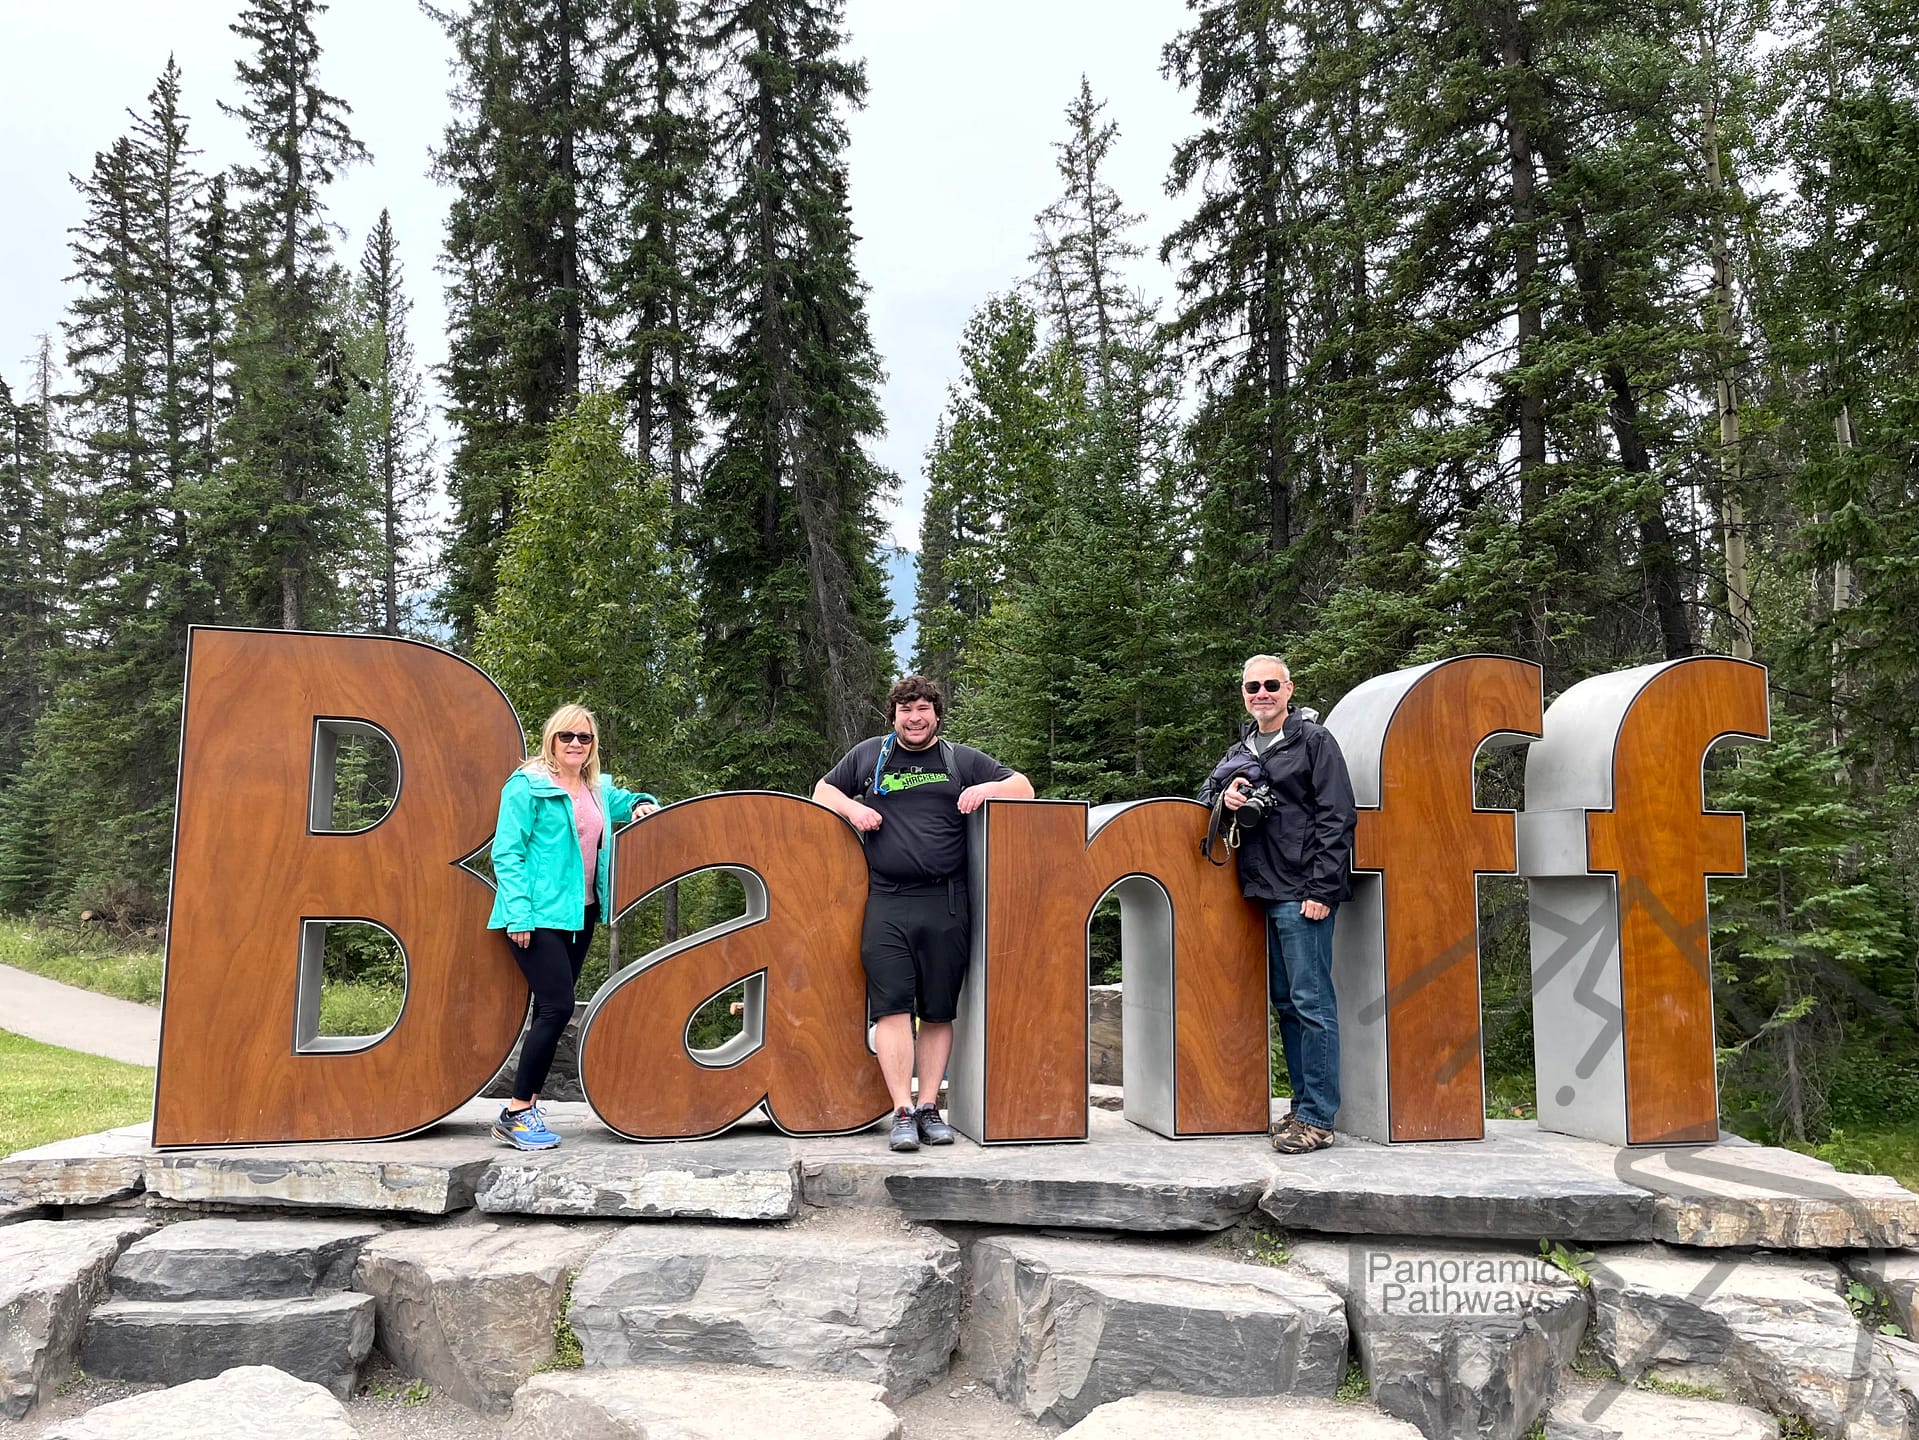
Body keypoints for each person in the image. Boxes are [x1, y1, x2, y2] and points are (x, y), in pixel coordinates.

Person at [813, 676, 1034, 1152]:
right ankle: (901, 1111)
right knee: (892, 1008)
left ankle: (930, 1107)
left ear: (936, 714)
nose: (915, 718)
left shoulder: (960, 759)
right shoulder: (872, 755)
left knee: (937, 1010)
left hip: (946, 901)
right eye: (905, 710)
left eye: (923, 710)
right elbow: (822, 792)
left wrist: (987, 791)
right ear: (893, 716)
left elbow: (1024, 788)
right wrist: (853, 809)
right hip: (887, 899)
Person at [1198, 655, 1357, 1154]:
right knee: (1288, 1004)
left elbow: (1337, 816)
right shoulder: (1240, 749)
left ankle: (1319, 1118)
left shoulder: (1313, 741)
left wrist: (1322, 889)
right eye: (1252, 686)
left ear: (1288, 689)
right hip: (1260, 890)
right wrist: (1229, 799)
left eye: (1270, 685)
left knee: (1313, 1004)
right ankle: (1302, 1105)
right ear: (1243, 693)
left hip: (1302, 891)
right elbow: (1203, 797)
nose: (1261, 693)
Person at [486, 703, 659, 1150]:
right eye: (568, 737)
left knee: (551, 1007)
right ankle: (516, 1111)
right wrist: (520, 914)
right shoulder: (527, 785)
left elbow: (630, 800)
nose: (576, 745)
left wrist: (643, 804)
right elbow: (508, 852)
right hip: (536, 916)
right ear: (552, 739)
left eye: (585, 738)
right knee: (557, 1006)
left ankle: (529, 1105)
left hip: (580, 915)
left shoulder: (596, 788)